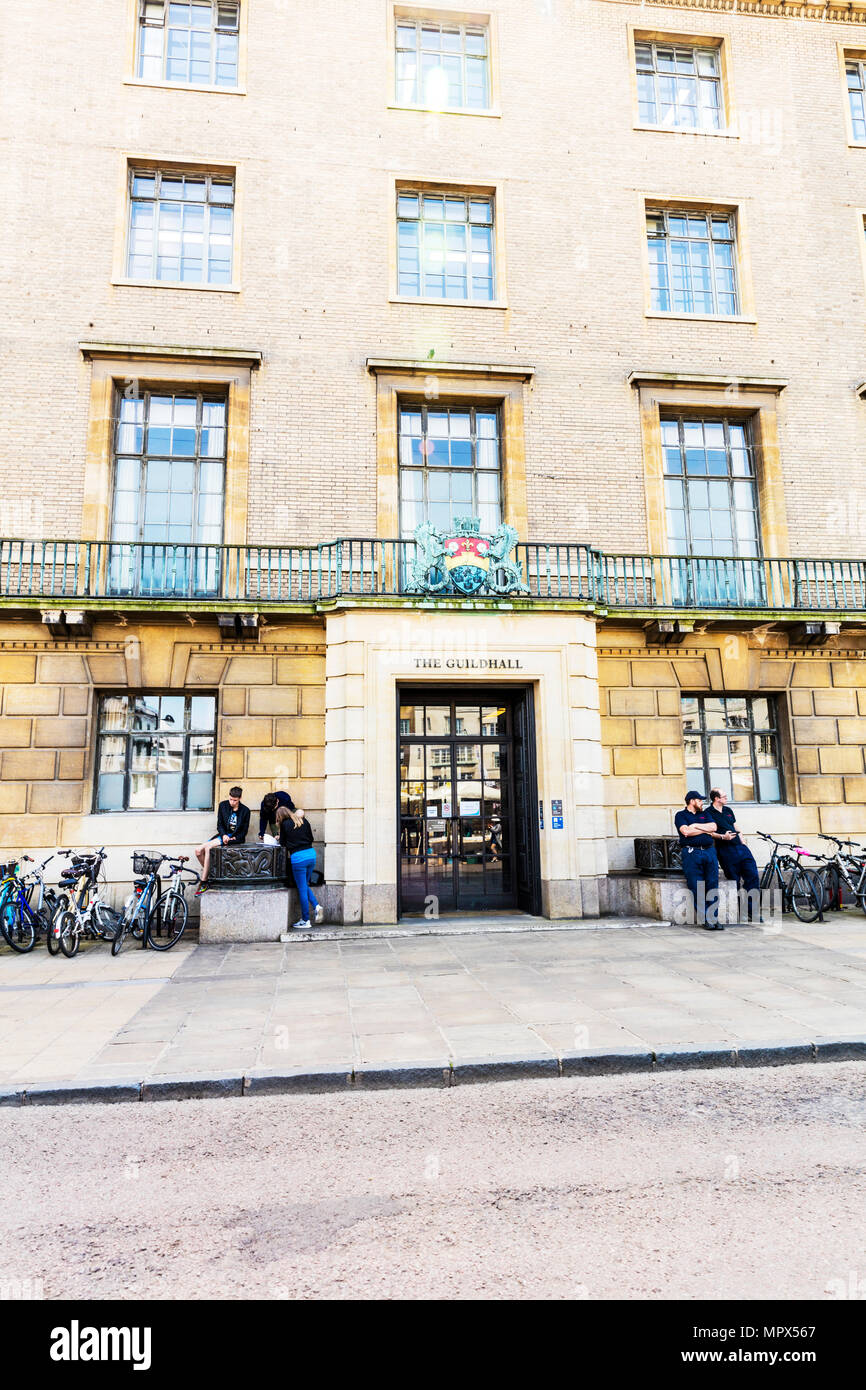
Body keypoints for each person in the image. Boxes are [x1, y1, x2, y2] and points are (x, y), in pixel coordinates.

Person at [674, 790, 723, 931]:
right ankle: (706, 919)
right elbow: (686, 832)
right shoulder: (680, 815)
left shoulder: (705, 814)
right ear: (692, 801)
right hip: (691, 853)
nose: (702, 802)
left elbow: (714, 827)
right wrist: (704, 829)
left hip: (709, 852)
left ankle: (713, 918)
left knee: (712, 885)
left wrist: (695, 826)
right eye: (700, 800)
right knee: (697, 887)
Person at [709, 788, 761, 921]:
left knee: (753, 876)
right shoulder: (708, 813)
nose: (726, 798)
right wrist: (722, 837)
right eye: (724, 796)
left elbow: (735, 826)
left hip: (740, 847)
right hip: (725, 850)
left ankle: (752, 911)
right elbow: (709, 833)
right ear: (716, 798)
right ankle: (738, 911)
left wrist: (742, 840)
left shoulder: (728, 810)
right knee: (734, 881)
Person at [195, 786, 250, 895]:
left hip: (235, 839)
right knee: (198, 851)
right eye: (230, 799)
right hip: (222, 835)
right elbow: (219, 824)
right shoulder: (223, 806)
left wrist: (233, 838)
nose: (232, 802)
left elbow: (244, 831)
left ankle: (204, 881)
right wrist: (224, 835)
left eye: (235, 800)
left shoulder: (245, 811)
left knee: (208, 848)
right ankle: (212, 874)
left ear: (240, 798)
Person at [278, 806, 324, 929]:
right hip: (311, 855)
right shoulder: (303, 820)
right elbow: (311, 838)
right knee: (304, 884)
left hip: (298, 858)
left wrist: (280, 838)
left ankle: (305, 920)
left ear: (280, 817)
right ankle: (316, 906)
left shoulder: (284, 824)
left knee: (302, 889)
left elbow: (283, 844)